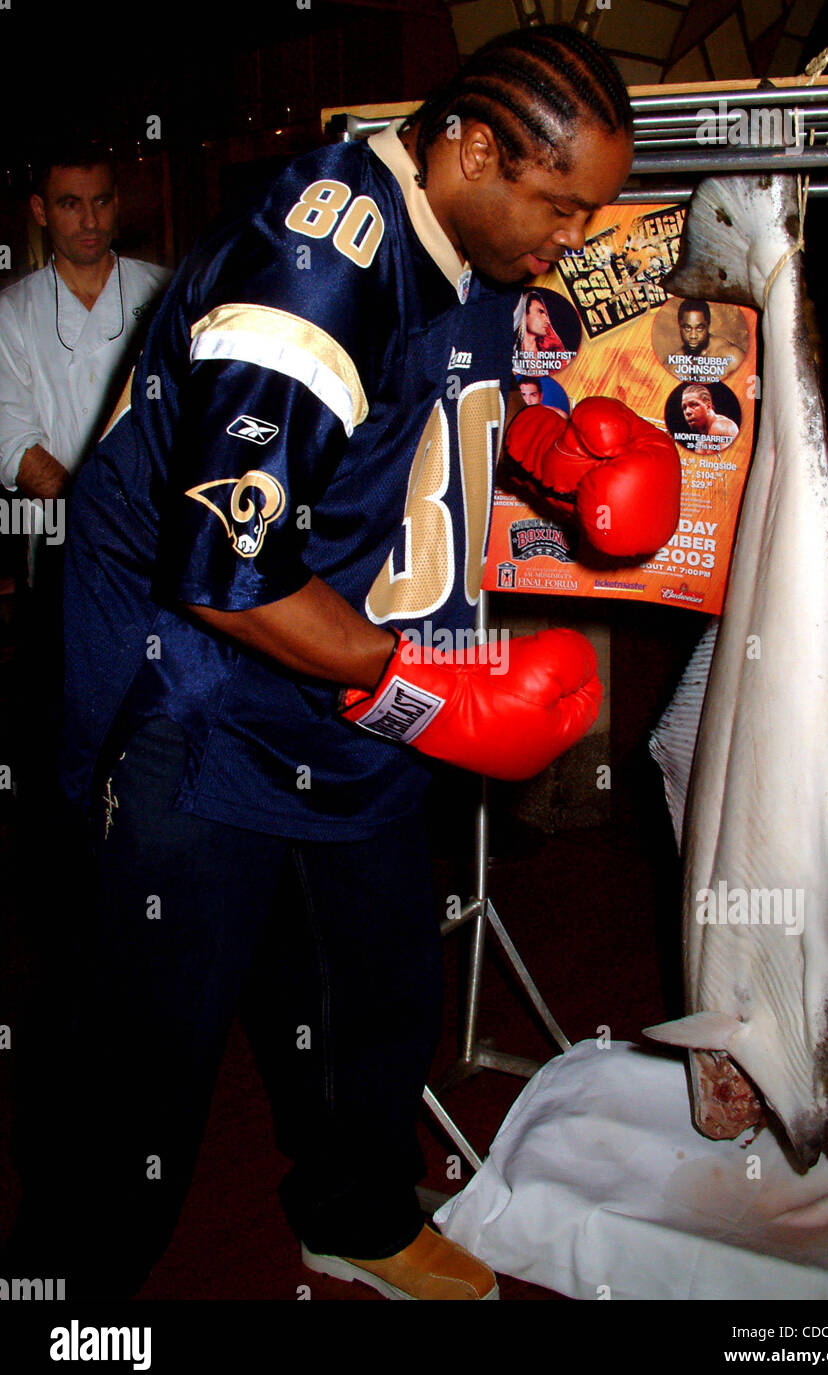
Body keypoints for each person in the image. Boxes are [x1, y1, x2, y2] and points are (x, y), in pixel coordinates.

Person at [2, 25, 636, 1302]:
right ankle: (67, 1292)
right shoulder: (315, 276)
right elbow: (225, 571)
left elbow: (467, 380)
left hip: (345, 663)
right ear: (472, 150)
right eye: (562, 204)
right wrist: (442, 695)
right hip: (197, 687)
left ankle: (354, 1210)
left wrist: (569, 455)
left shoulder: (476, 238)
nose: (574, 235)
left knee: (376, 976)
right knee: (146, 1046)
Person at [0, 141, 170, 580]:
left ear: (117, 202)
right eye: (71, 204)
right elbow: (15, 445)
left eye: (101, 202)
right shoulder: (12, 312)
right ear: (40, 211)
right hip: (65, 541)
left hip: (161, 532)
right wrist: (101, 515)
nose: (91, 221)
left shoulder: (165, 293)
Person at [676, 299, 745, 375]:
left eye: (699, 328)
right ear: (679, 326)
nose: (693, 336)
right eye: (687, 328)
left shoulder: (733, 358)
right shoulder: (672, 365)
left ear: (708, 325)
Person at [515, 290, 566, 371]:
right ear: (524, 313)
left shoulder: (552, 358)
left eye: (546, 315)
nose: (547, 321)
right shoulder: (507, 351)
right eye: (540, 312)